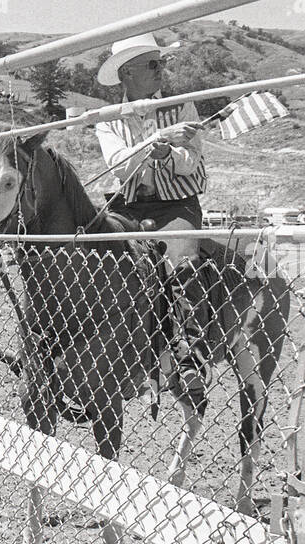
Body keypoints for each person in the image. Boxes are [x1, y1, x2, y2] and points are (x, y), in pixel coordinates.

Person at [94, 32, 211, 405]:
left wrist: (167, 156)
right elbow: (118, 166)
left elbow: (194, 161)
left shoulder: (183, 106)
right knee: (89, 256)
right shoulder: (107, 119)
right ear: (127, 73)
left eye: (162, 63)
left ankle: (189, 357)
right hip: (127, 205)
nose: (162, 71)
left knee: (184, 263)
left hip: (175, 205)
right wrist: (158, 140)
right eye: (153, 65)